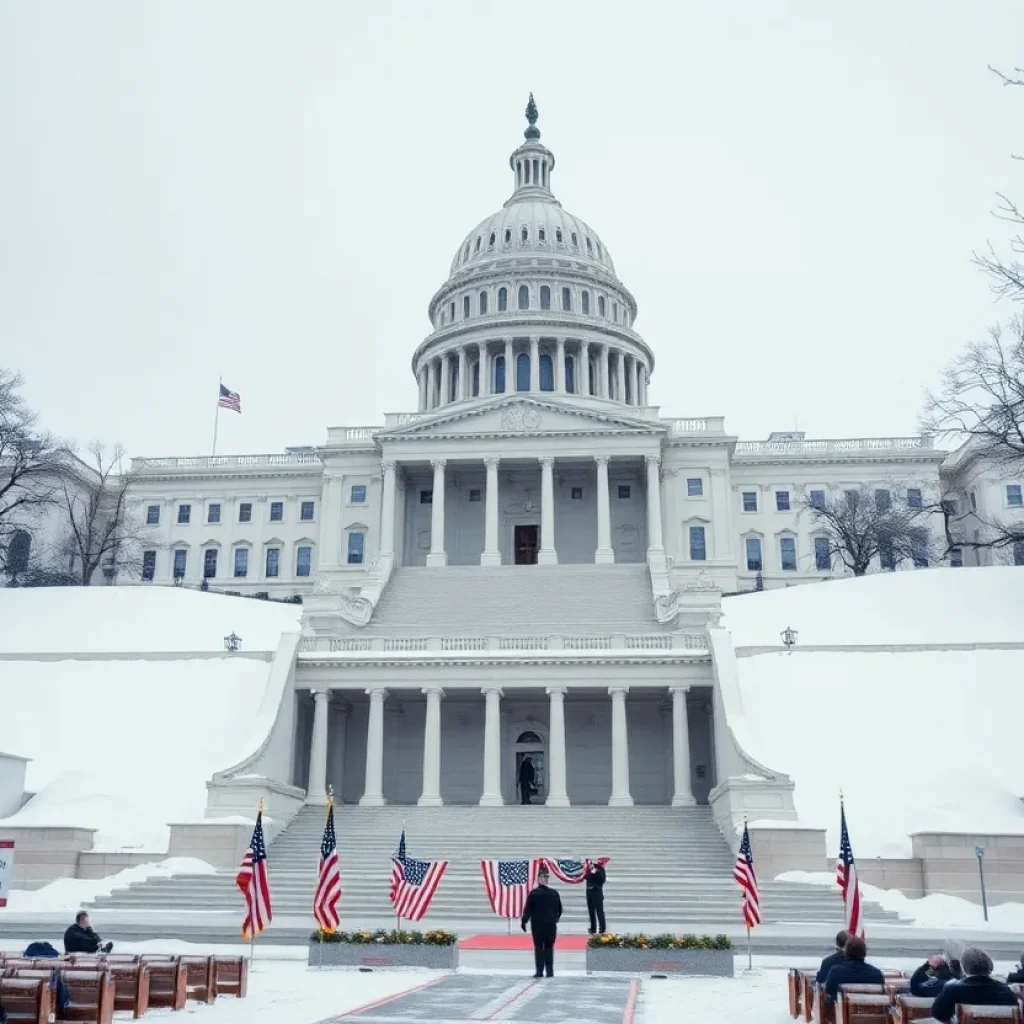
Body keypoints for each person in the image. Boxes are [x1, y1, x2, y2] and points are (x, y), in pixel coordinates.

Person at [931, 947, 1018, 1023]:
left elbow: (938, 1015)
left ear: (964, 968)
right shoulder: (1006, 993)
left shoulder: (952, 991)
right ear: (990, 966)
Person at [521, 865, 562, 978]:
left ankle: (539, 971)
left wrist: (524, 922)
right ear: (547, 880)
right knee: (549, 948)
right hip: (550, 925)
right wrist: (555, 918)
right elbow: (559, 909)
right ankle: (549, 971)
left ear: (539, 879)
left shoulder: (534, 894)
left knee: (539, 948)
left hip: (538, 925)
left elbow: (528, 910)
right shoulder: (554, 893)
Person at [824, 935, 884, 1004]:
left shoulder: (835, 971)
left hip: (840, 1013)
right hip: (870, 1013)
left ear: (846, 953)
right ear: (864, 953)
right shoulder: (877, 975)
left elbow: (829, 994)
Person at [585, 861, 607, 935]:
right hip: (589, 892)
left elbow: (602, 880)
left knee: (599, 911)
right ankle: (593, 928)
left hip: (597, 892)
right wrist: (591, 873)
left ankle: (602, 928)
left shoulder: (600, 869)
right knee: (591, 911)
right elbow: (586, 878)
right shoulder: (588, 869)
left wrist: (597, 872)